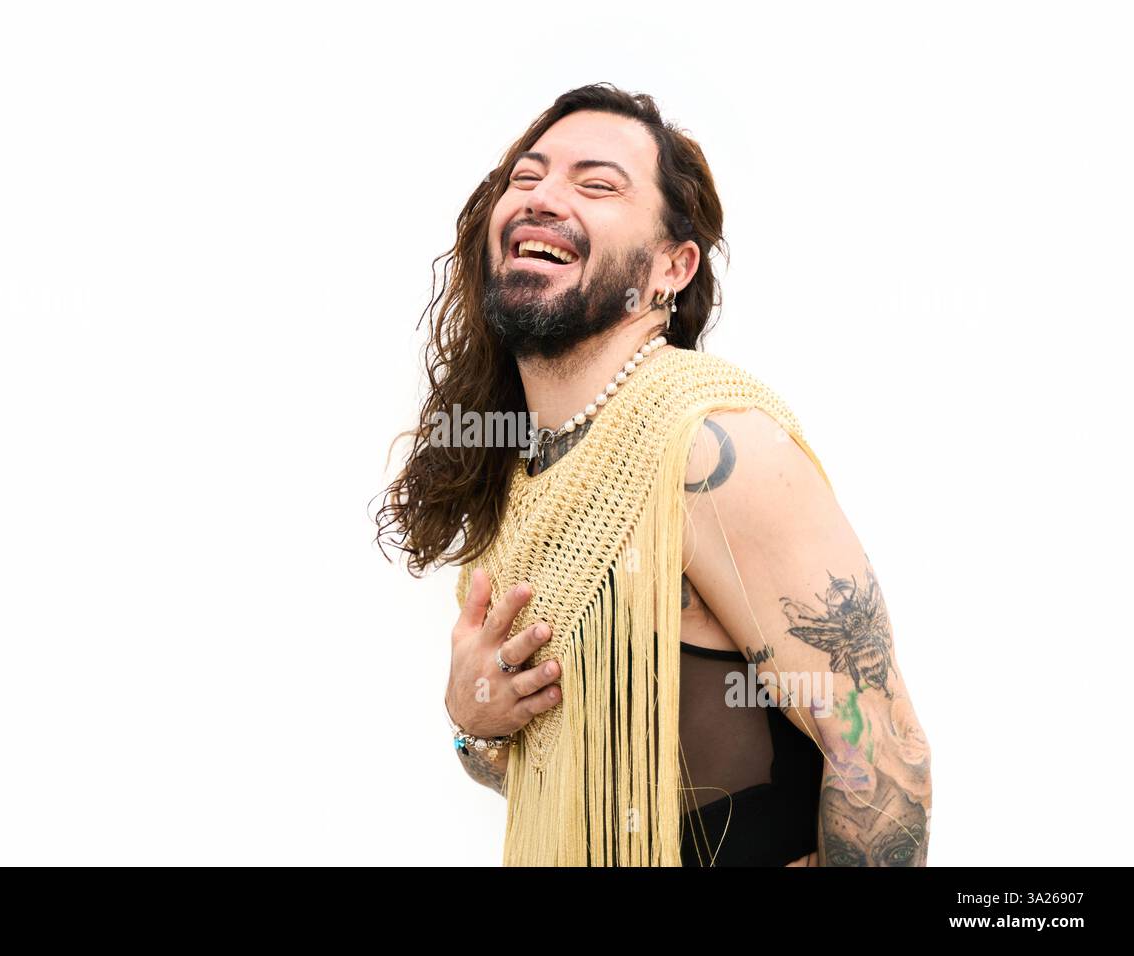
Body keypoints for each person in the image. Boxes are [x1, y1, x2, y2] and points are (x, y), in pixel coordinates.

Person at [376, 83, 932, 867]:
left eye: (596, 184)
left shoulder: (713, 447)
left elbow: (885, 762)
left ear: (672, 267)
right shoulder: (525, 477)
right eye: (526, 178)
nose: (541, 198)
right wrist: (476, 721)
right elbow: (584, 789)